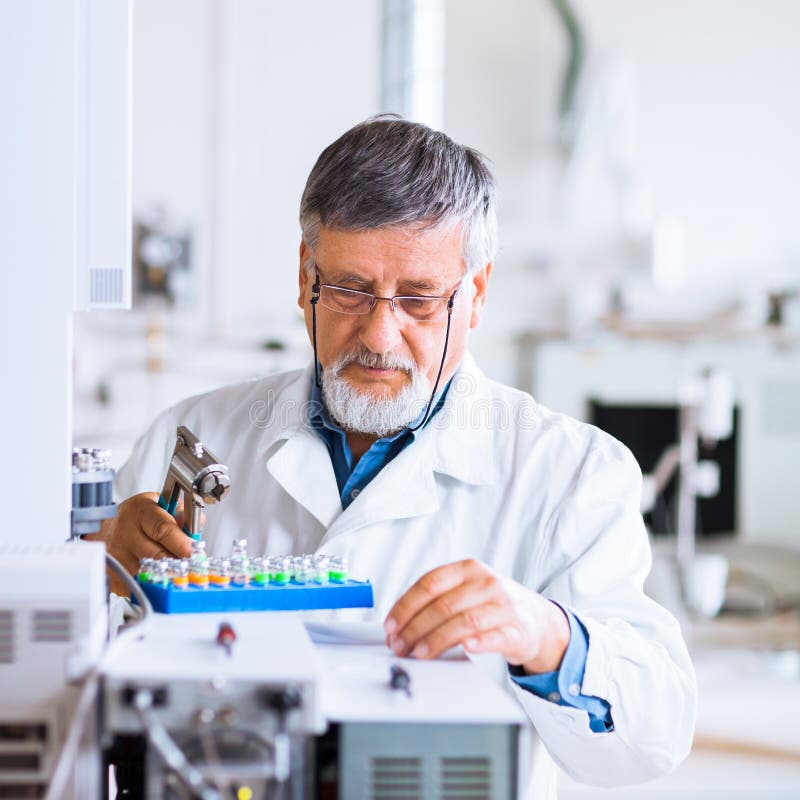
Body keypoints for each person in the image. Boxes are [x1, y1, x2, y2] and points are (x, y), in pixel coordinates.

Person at [98, 116, 696, 798]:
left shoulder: (570, 473)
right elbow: (70, 668)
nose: (380, 336)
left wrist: (549, 638)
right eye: (351, 290)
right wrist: (98, 565)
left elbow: (655, 738)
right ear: (305, 278)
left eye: (418, 299)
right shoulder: (196, 432)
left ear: (474, 295)